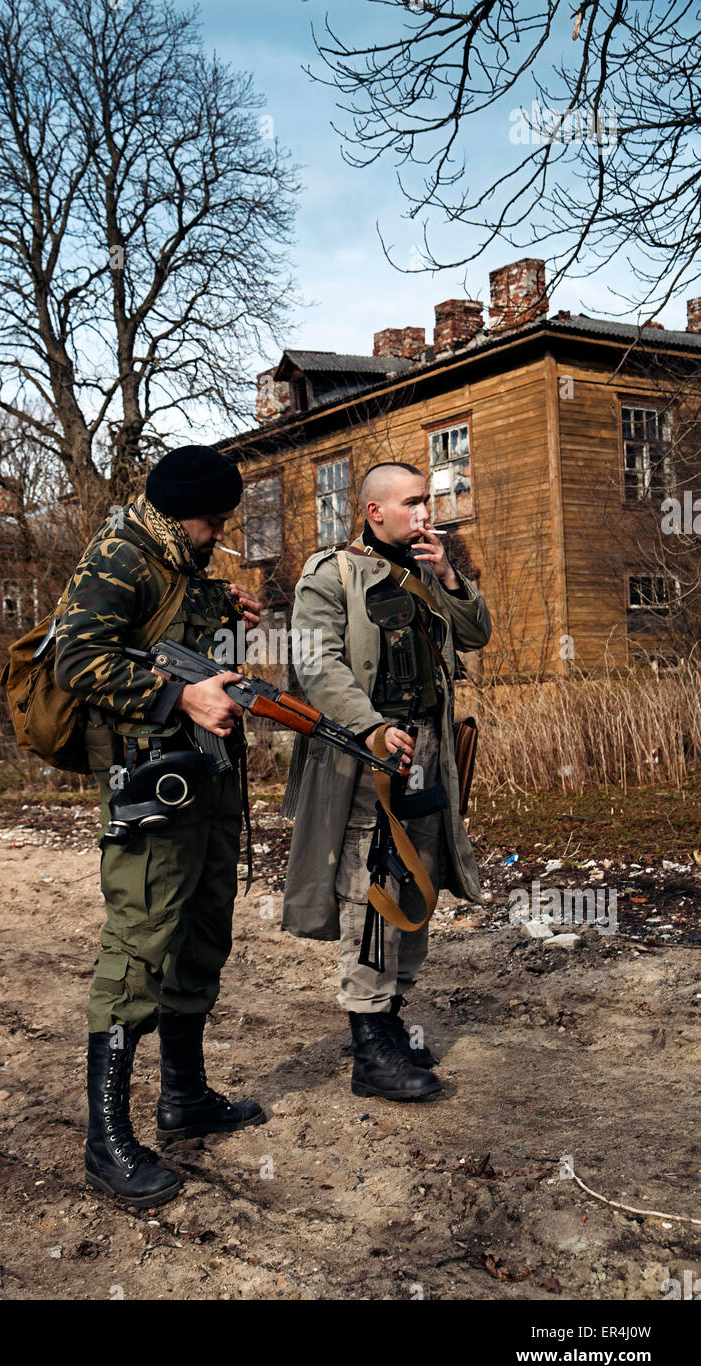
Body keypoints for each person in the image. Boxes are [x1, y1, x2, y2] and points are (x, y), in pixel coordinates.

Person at [54, 445, 266, 1208]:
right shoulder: (122, 555)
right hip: (149, 785)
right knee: (139, 944)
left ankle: (185, 1099)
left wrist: (225, 612)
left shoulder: (181, 565)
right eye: (214, 521)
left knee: (204, 932)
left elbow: (176, 645)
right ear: (184, 513)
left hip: (204, 778)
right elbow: (75, 658)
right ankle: (105, 1142)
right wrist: (178, 702)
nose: (218, 535)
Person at [281, 461, 492, 1102]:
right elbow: (317, 664)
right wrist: (369, 727)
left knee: (419, 881)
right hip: (367, 760)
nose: (425, 514)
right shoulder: (330, 574)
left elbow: (477, 632)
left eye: (427, 502)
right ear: (374, 511)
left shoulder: (428, 573)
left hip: (429, 754)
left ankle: (393, 1020)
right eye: (413, 503)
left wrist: (451, 575)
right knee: (371, 888)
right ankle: (369, 1045)